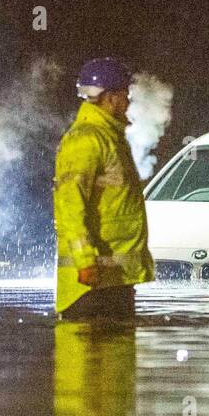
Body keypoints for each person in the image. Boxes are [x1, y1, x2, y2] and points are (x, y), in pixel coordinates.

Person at [54, 57, 155, 319]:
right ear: (109, 98)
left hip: (113, 281)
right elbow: (69, 207)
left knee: (119, 358)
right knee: (91, 358)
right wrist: (85, 261)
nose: (128, 101)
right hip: (89, 286)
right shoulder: (86, 140)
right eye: (125, 94)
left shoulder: (110, 138)